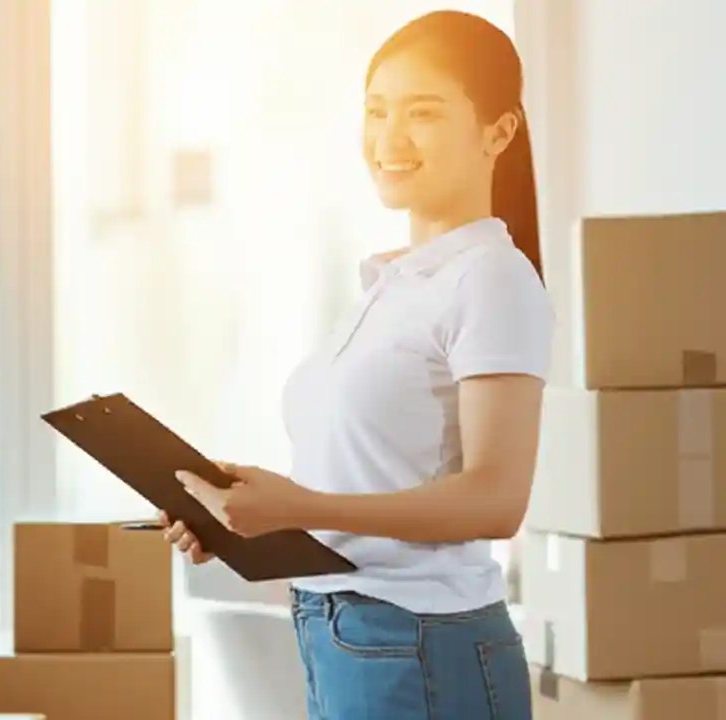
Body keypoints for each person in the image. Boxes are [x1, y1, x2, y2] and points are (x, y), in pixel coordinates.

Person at [160, 10, 552, 720]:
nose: (389, 138)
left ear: (499, 131)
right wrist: (242, 518)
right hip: (346, 634)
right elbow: (366, 482)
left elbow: (498, 499)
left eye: (423, 113)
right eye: (376, 111)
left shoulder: (491, 278)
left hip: (423, 642)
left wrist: (298, 507)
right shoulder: (390, 287)